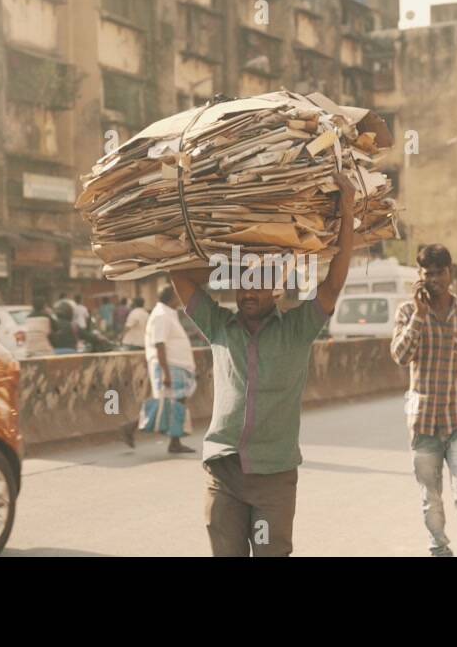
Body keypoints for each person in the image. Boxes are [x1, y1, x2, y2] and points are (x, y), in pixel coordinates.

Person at [169, 171, 356, 557]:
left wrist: (348, 209)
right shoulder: (219, 326)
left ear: (277, 287)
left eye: (259, 282)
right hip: (224, 471)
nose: (249, 291)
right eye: (243, 282)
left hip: (274, 476)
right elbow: (182, 280)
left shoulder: (298, 329)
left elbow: (332, 285)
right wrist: (179, 206)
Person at [391, 244, 457, 557]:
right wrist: (419, 318)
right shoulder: (407, 313)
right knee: (430, 496)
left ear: (451, 273)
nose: (435, 279)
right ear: (420, 276)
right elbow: (399, 356)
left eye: (440, 272)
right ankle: (440, 549)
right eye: (428, 273)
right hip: (423, 422)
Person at [121, 287, 197, 454]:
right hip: (169, 366)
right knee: (167, 403)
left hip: (178, 365)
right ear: (173, 297)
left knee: (176, 403)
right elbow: (159, 344)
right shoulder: (161, 315)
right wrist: (166, 373)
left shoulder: (169, 313)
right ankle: (131, 427)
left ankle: (174, 441)